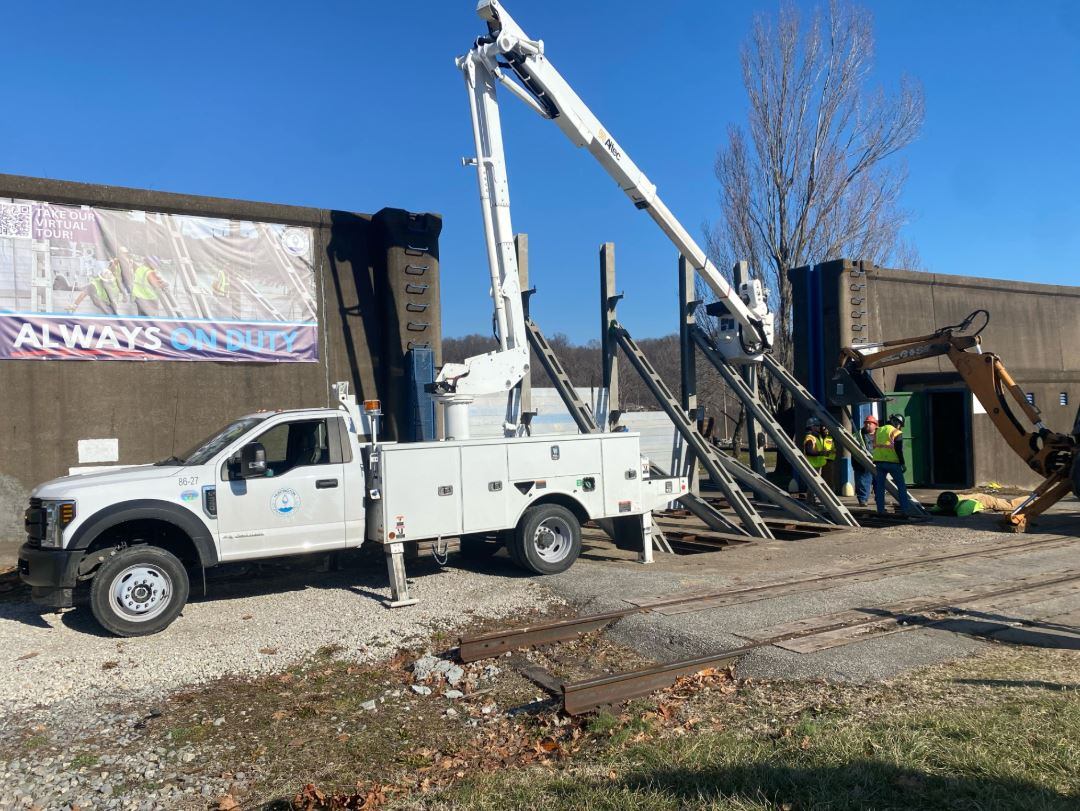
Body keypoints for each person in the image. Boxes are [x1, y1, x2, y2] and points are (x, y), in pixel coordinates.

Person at [872, 413, 912, 514]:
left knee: (880, 487)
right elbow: (899, 450)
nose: (900, 427)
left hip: (879, 462)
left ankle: (880, 510)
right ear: (896, 422)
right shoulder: (896, 432)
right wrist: (902, 463)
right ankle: (905, 510)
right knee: (901, 486)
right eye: (900, 425)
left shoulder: (878, 430)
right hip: (893, 462)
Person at [855, 414, 879, 507]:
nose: (867, 425)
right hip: (864, 464)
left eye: (870, 423)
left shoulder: (880, 434)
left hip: (877, 462)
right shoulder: (859, 435)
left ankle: (879, 499)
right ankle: (863, 500)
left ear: (875, 425)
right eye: (866, 423)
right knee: (863, 483)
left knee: (879, 484)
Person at [802, 417, 829, 496]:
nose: (819, 428)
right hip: (812, 465)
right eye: (817, 426)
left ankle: (811, 500)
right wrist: (821, 453)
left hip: (817, 465)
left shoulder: (817, 437)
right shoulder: (810, 438)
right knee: (813, 485)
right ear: (812, 427)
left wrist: (824, 430)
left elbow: (824, 436)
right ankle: (810, 500)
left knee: (815, 484)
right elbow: (809, 452)